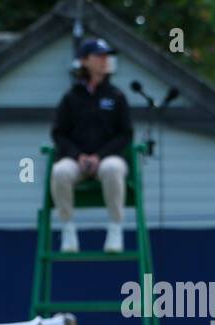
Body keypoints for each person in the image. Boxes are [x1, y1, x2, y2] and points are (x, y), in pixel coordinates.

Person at [50, 38, 133, 254]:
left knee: (113, 168)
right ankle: (68, 230)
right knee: (60, 172)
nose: (104, 60)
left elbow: (126, 134)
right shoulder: (70, 97)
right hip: (77, 161)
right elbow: (59, 133)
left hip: (108, 159)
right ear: (85, 61)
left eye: (106, 56)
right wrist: (78, 156)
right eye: (98, 56)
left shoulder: (117, 96)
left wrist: (100, 156)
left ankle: (115, 229)